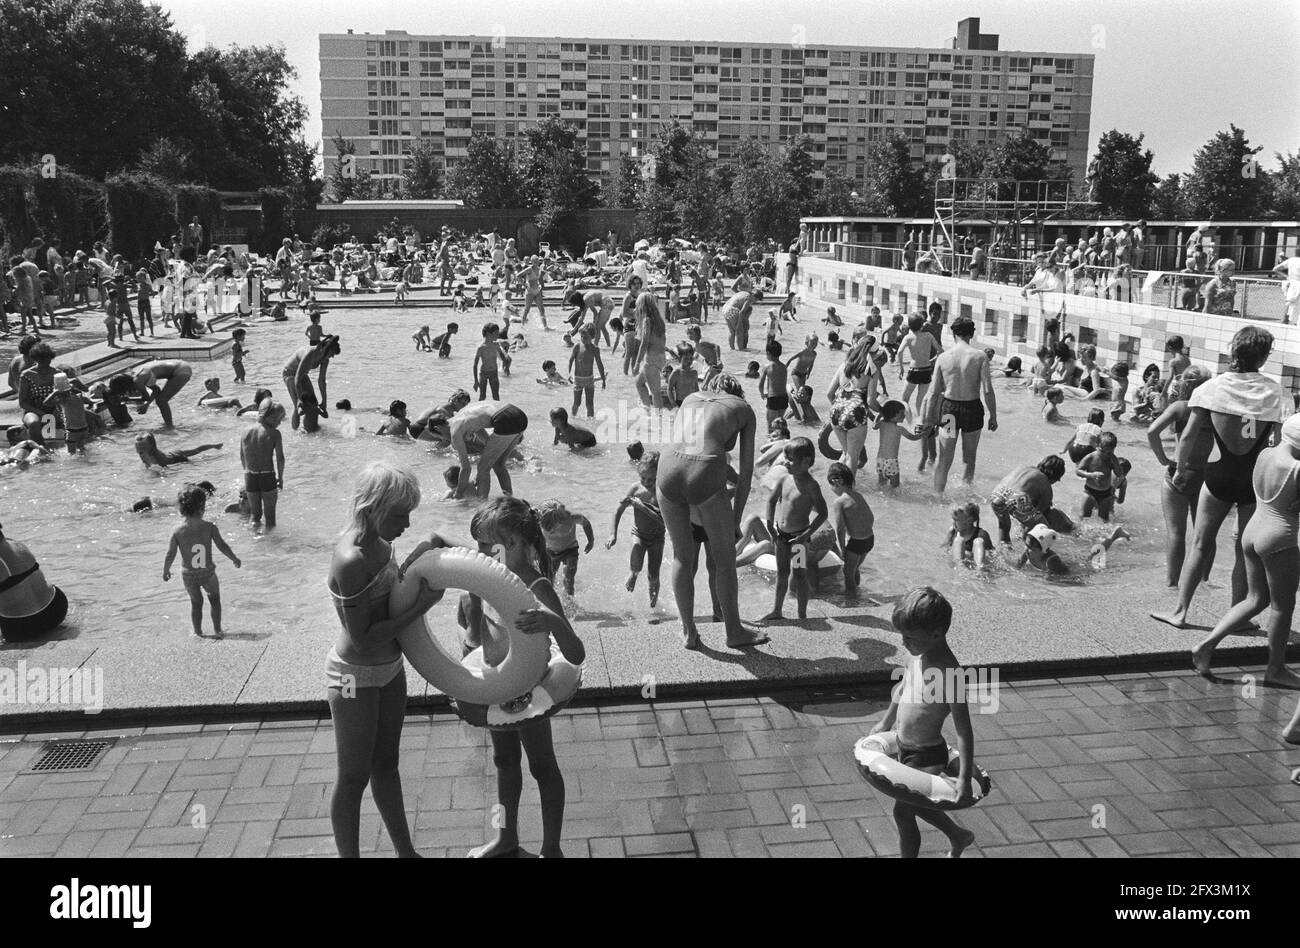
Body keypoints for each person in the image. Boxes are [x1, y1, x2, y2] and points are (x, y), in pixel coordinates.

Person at [327, 462, 446, 858]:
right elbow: (362, 640)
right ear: (374, 507)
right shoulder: (352, 560)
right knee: (354, 777)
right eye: (400, 515)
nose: (406, 523)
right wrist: (422, 607)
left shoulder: (382, 544)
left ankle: (406, 853)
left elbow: (391, 594)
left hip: (390, 669)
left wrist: (430, 552)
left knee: (387, 766)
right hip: (353, 677)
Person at [461, 497, 585, 858]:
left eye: (486, 544)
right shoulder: (485, 582)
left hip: (531, 689)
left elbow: (576, 653)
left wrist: (552, 622)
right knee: (503, 764)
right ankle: (506, 838)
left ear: (513, 544)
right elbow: (477, 635)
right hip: (499, 686)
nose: (478, 551)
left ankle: (551, 848)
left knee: (542, 766)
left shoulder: (536, 587)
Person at [1152, 327, 1289, 630]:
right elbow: (1278, 444)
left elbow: (1187, 435)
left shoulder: (1211, 388)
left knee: (1201, 542)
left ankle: (1180, 612)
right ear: (1264, 357)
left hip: (1219, 475)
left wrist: (1178, 467)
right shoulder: (1277, 392)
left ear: (1234, 352)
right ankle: (1236, 616)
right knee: (1244, 548)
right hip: (1253, 479)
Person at [656, 374, 766, 649]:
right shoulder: (743, 409)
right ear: (738, 393)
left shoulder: (692, 399)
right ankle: (734, 632)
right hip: (704, 471)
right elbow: (746, 472)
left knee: (682, 557)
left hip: (667, 468)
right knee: (725, 562)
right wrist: (736, 518)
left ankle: (688, 632)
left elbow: (684, 443)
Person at [1191, 414, 1300, 688]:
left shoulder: (1265, 454)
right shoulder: (1297, 468)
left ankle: (1206, 644)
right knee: (1282, 608)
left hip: (1252, 531)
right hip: (1278, 538)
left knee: (1255, 599)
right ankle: (1275, 669)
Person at [868, 587, 976, 858]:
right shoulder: (915, 654)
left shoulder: (949, 673)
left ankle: (948, 840)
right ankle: (958, 836)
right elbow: (903, 688)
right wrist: (885, 722)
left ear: (936, 634)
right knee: (914, 807)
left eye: (909, 637)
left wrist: (963, 778)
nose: (903, 642)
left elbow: (964, 730)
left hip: (927, 752)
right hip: (903, 745)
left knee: (903, 811)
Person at [920, 316, 997, 494]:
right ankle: (965, 495)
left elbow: (932, 392)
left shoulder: (944, 357)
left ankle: (938, 495)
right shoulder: (980, 356)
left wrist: (928, 420)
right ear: (972, 334)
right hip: (972, 409)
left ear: (953, 333)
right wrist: (993, 415)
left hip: (950, 411)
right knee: (969, 458)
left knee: (944, 459)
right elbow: (988, 390)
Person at [163, 482, 241, 637]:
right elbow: (222, 546)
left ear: (182, 508)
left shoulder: (177, 531)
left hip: (188, 574)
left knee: (196, 604)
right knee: (214, 599)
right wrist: (234, 558)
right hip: (207, 572)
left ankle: (198, 632)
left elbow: (170, 553)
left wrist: (166, 570)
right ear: (202, 507)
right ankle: (217, 629)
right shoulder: (209, 527)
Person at [606, 452, 665, 607]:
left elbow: (664, 520)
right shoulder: (635, 489)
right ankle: (633, 573)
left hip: (658, 538)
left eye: (651, 479)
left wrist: (641, 506)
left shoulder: (662, 492)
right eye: (642, 478)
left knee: (653, 575)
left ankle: (653, 605)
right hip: (638, 533)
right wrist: (613, 533)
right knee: (637, 548)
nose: (645, 482)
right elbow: (619, 509)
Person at [450, 401, 529, 499]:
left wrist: (458, 493)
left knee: (483, 468)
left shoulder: (454, 432)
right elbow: (487, 443)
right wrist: (480, 475)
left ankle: (482, 505)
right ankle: (510, 500)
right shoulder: (462, 415)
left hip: (504, 418)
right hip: (519, 415)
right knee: (499, 464)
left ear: (439, 430)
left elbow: (466, 468)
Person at [990, 457, 1074, 545]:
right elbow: (1041, 513)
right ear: (1054, 476)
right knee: (1043, 529)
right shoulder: (1046, 485)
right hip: (1017, 498)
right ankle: (1029, 553)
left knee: (1004, 526)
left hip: (997, 493)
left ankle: (1003, 551)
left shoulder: (1026, 468)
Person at [826, 461, 874, 596]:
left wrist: (842, 548)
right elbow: (870, 516)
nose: (831, 489)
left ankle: (851, 597)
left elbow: (840, 529)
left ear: (837, 482)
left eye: (831, 485)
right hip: (869, 539)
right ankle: (857, 589)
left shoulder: (839, 502)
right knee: (855, 568)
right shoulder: (858, 495)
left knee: (847, 573)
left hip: (857, 543)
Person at [241, 399, 286, 531]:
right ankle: (269, 548)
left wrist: (247, 474)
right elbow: (280, 458)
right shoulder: (274, 433)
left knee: (255, 516)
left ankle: (255, 542)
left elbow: (242, 456)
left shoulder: (245, 431)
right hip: (267, 476)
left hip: (250, 476)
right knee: (270, 518)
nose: (280, 423)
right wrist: (281, 477)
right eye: (279, 419)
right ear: (271, 417)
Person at [536, 499, 594, 596]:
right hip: (550, 552)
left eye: (553, 528)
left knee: (569, 579)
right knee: (548, 579)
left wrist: (591, 541)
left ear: (561, 519)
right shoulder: (539, 519)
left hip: (570, 550)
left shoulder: (571, 518)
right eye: (548, 530)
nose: (552, 531)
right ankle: (550, 599)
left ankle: (569, 604)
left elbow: (586, 523)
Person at [282, 336, 339, 432]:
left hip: (302, 374)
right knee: (298, 405)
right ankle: (294, 433)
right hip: (290, 373)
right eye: (331, 354)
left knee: (314, 403)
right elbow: (297, 378)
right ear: (325, 349)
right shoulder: (310, 353)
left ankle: (308, 430)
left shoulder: (325, 359)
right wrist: (300, 399)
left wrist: (324, 401)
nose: (332, 356)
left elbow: (321, 381)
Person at [1076, 431, 1125, 522]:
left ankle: (1105, 535)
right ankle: (1079, 533)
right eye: (1103, 451)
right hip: (1089, 491)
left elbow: (1119, 474)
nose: (1106, 454)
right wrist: (1090, 475)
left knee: (1104, 519)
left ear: (1114, 449)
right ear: (1097, 445)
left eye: (1110, 452)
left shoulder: (1112, 459)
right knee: (1083, 515)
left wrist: (1114, 461)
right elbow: (1078, 471)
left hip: (1105, 493)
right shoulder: (1091, 457)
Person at [630, 292, 668, 411]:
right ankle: (647, 409)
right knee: (639, 383)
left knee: (655, 392)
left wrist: (636, 363)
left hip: (651, 359)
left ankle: (659, 420)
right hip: (660, 357)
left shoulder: (646, 320)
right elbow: (662, 340)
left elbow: (644, 343)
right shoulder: (659, 320)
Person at [873, 399, 922, 489]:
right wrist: (924, 433)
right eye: (902, 413)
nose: (904, 415)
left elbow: (873, 426)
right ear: (893, 415)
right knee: (895, 486)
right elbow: (913, 437)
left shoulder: (882, 423)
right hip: (891, 460)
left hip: (880, 459)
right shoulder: (899, 429)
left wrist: (879, 415)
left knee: (881, 483)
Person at [567, 324, 606, 419]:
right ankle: (573, 418)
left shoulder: (595, 349)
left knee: (589, 403)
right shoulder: (577, 346)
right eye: (582, 337)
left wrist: (603, 379)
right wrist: (569, 374)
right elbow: (571, 360)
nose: (583, 339)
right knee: (577, 402)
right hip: (578, 379)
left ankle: (590, 422)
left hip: (589, 380)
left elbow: (599, 364)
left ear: (592, 337)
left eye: (586, 337)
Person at [134, 432, 221, 469]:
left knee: (196, 452)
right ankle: (214, 446)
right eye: (137, 447)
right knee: (196, 450)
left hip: (177, 458)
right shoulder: (142, 454)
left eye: (142, 447)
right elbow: (147, 465)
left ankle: (214, 446)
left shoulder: (157, 457)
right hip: (172, 453)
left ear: (151, 446)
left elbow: (165, 469)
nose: (139, 450)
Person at [946, 501, 992, 569]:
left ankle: (980, 569)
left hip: (974, 561)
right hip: (959, 561)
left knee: (978, 542)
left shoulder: (981, 534)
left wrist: (970, 555)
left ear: (969, 520)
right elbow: (946, 549)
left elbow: (992, 553)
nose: (953, 522)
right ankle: (960, 567)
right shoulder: (952, 531)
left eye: (956, 520)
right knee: (958, 541)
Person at [758, 339, 789, 427]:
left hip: (773, 399)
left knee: (770, 426)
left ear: (768, 353)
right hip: (784, 398)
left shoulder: (767, 367)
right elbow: (781, 383)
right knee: (779, 425)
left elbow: (760, 385)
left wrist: (762, 394)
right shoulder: (784, 367)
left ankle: (770, 440)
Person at [473, 322, 506, 401]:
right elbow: (475, 365)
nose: (498, 335)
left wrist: (506, 366)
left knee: (496, 396)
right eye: (496, 333)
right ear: (488, 333)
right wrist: (476, 381)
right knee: (482, 396)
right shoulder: (481, 348)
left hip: (494, 373)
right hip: (483, 374)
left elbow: (502, 357)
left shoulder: (496, 345)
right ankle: (479, 412)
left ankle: (497, 412)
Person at [1270, 253, 1300, 324]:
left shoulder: (1291, 260)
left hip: (1292, 285)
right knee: (1291, 306)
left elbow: (1275, 269)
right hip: (1294, 285)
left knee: (1290, 305)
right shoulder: (1293, 260)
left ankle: (1286, 322)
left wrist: (1287, 276)